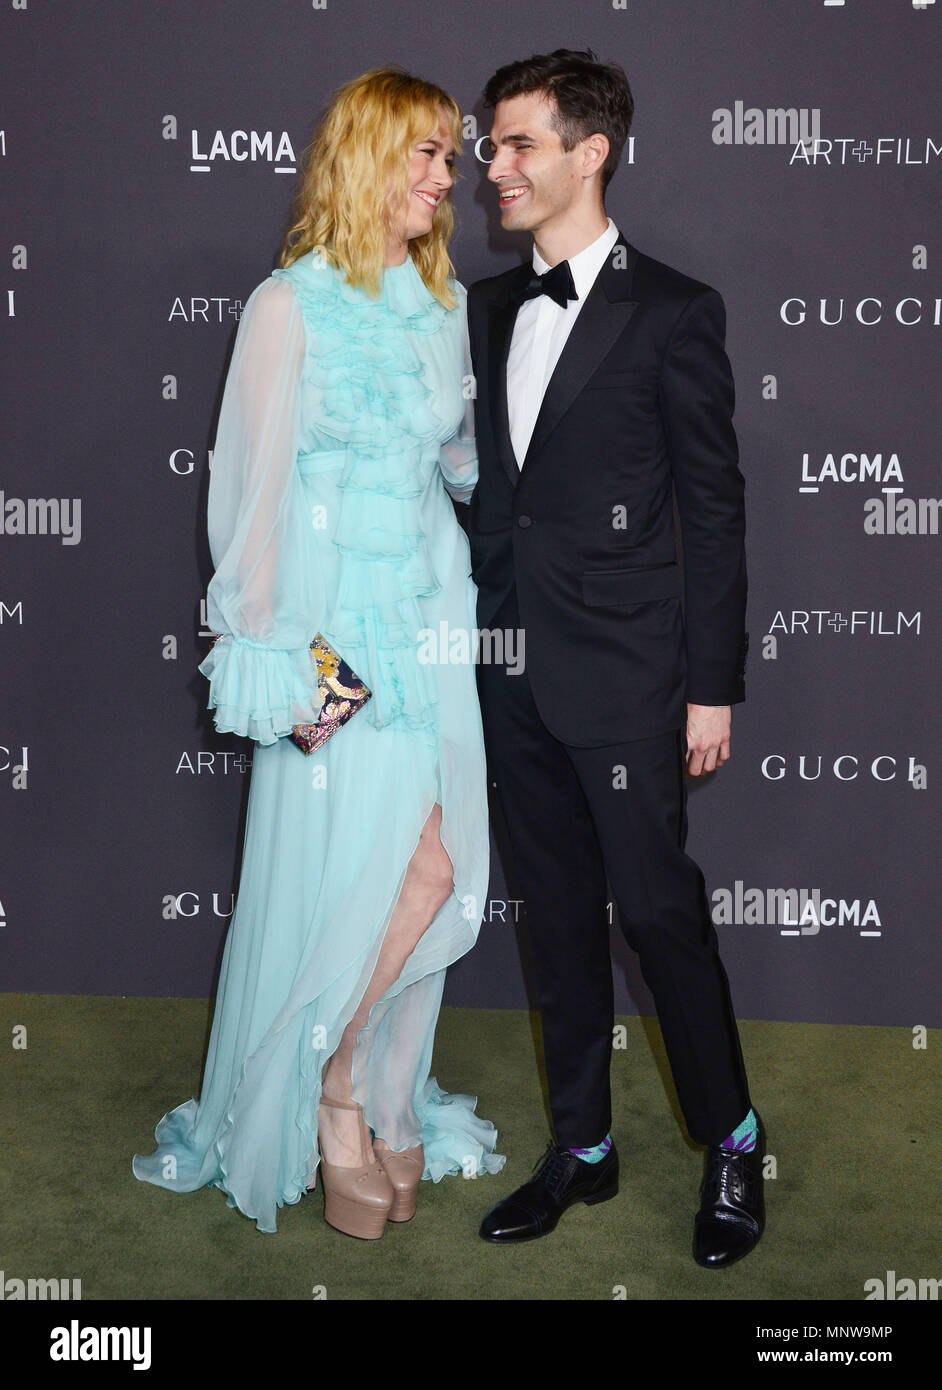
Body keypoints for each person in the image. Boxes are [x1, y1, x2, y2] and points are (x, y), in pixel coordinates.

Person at [132, 67, 504, 1238]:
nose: (449, 180)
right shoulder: (285, 307)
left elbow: (459, 469)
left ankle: (364, 1080)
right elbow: (245, 504)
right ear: (365, 157)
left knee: (441, 866)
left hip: (431, 610)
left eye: (453, 158)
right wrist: (274, 660)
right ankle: (334, 1093)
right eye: (428, 155)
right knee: (360, 869)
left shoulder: (445, 304)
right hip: (334, 629)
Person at [466, 49, 764, 1268]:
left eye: (520, 143)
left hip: (635, 678)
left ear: (592, 153)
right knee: (552, 925)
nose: (497, 165)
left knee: (657, 912)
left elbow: (716, 507)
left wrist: (712, 685)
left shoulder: (675, 309)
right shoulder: (487, 308)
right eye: (490, 144)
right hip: (513, 674)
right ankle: (582, 1147)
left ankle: (735, 1140)